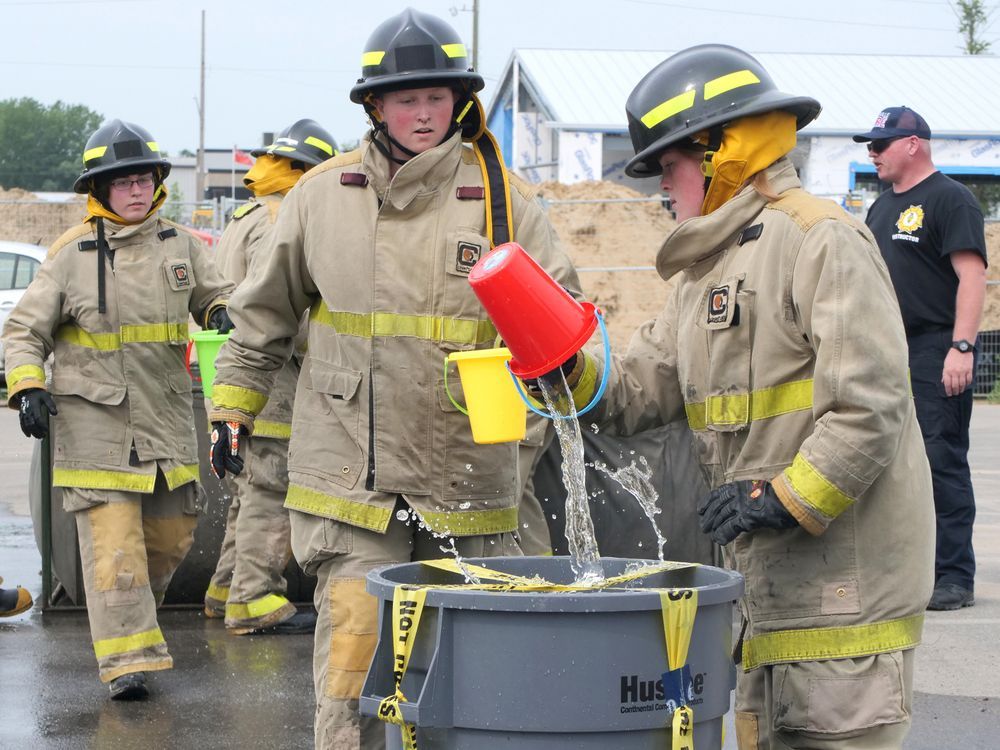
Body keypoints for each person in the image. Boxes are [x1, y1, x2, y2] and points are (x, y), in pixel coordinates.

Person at [204, 9, 581, 748]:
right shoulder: (320, 197)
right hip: (351, 480)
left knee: (472, 675)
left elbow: (560, 326)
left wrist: (554, 392)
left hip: (468, 477)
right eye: (407, 99)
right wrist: (232, 411)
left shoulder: (505, 202)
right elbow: (262, 315)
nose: (424, 113)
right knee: (353, 670)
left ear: (459, 100)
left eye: (437, 96)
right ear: (375, 105)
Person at [549, 45, 934, 748]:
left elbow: (870, 406)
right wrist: (562, 367)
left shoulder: (821, 240)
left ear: (718, 152)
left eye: (669, 168)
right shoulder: (706, 272)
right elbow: (637, 390)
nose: (662, 191)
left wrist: (782, 499)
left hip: (843, 604)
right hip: (766, 597)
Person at [2, 119, 234, 700]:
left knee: (170, 538)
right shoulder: (70, 254)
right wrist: (27, 387)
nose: (135, 190)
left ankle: (132, 624)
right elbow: (23, 331)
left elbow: (215, 296)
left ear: (157, 183)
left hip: (165, 424)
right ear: (100, 190)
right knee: (115, 548)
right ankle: (127, 664)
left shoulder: (182, 245)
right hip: (94, 428)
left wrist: (221, 312)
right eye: (123, 182)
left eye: (143, 180)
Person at [203, 119, 338, 635]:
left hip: (242, 373)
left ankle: (225, 589)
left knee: (251, 488)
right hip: (274, 378)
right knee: (272, 486)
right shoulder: (283, 216)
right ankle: (254, 599)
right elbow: (281, 308)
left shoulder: (249, 213)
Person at [854, 107, 988, 612]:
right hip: (888, 348)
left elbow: (972, 277)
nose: (873, 154)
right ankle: (907, 569)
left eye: (881, 144)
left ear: (913, 144)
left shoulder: (950, 199)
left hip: (936, 347)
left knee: (940, 459)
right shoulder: (880, 208)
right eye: (870, 146)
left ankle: (954, 575)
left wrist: (961, 347)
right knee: (890, 461)